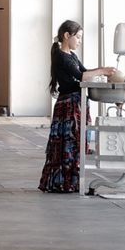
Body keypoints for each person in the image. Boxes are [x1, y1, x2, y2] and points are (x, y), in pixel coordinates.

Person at [38, 20, 115, 193]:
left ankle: (70, 182)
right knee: (68, 143)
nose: (79, 41)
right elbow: (80, 76)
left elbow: (84, 71)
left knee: (75, 143)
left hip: (76, 103)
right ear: (67, 35)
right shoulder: (61, 56)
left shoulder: (71, 56)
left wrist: (103, 70)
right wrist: (102, 71)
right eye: (78, 37)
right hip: (68, 106)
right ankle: (62, 182)